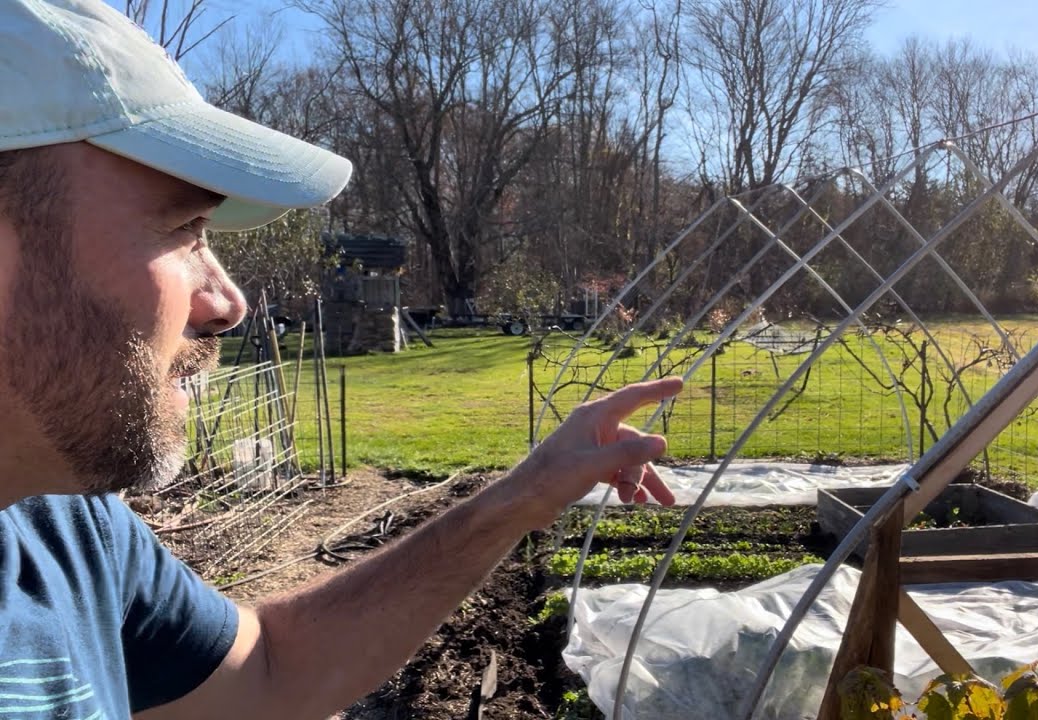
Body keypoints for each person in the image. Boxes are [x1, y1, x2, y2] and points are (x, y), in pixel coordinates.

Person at [0, 1, 682, 717]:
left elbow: (270, 670)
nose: (229, 303)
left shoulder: (63, 530)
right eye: (181, 230)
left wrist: (518, 500)